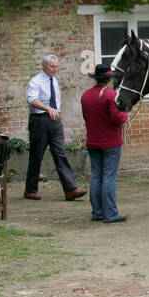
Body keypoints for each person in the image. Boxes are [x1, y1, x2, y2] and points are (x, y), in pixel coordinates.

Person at [24, 54, 86, 201]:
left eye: (57, 66)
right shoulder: (36, 81)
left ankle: (70, 189)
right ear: (44, 66)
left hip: (55, 120)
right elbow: (32, 100)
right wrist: (47, 108)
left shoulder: (54, 81)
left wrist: (55, 112)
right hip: (39, 120)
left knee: (60, 153)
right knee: (36, 155)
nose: (55, 69)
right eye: (52, 66)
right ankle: (30, 189)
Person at [80, 63, 129, 223]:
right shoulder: (109, 95)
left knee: (96, 176)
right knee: (108, 177)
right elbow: (117, 118)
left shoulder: (85, 95)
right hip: (110, 142)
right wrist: (125, 116)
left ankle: (98, 212)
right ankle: (110, 214)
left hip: (93, 140)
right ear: (109, 79)